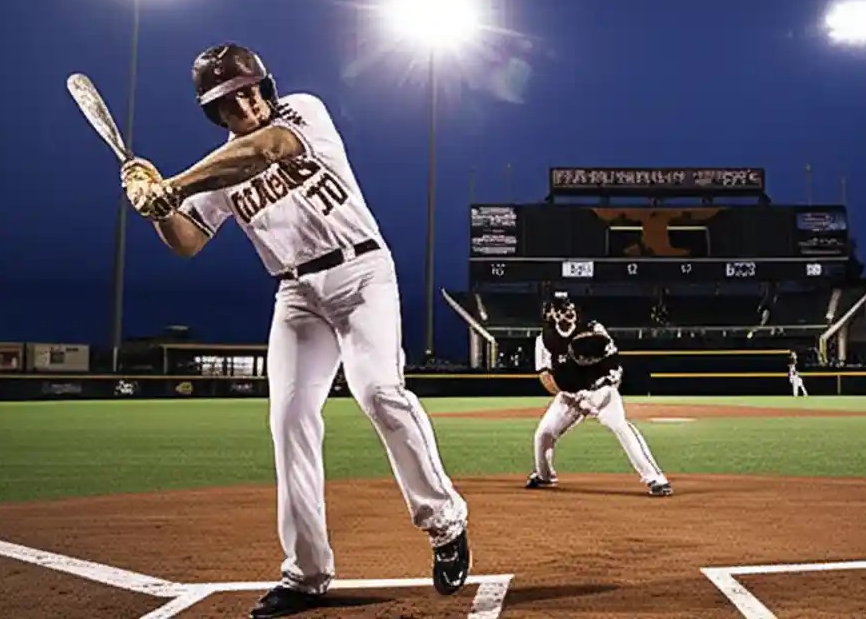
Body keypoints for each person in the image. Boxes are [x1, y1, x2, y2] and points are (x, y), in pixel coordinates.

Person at [119, 43, 472, 619]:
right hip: (297, 295)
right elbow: (187, 242)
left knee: (379, 391)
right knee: (288, 420)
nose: (250, 102)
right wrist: (155, 205)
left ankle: (445, 522)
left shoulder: (302, 113)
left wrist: (173, 184)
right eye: (233, 99)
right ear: (215, 111)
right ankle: (306, 573)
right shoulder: (216, 174)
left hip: (362, 274)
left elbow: (267, 150)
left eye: (255, 88)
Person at [526, 292, 672, 496]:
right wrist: (570, 395)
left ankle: (656, 479)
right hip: (569, 396)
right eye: (559, 309)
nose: (566, 313)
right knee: (544, 434)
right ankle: (544, 476)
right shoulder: (544, 339)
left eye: (567, 308)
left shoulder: (593, 329)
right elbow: (545, 376)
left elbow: (613, 362)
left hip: (600, 391)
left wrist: (606, 385)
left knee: (622, 427)